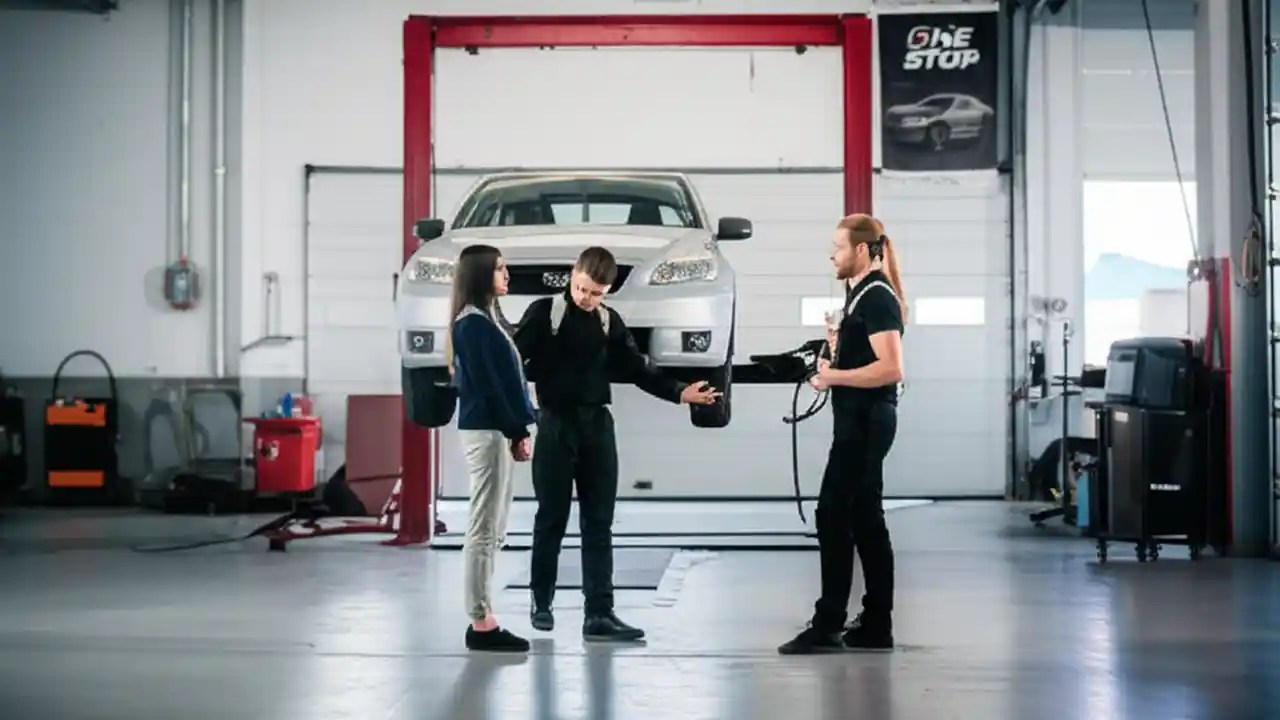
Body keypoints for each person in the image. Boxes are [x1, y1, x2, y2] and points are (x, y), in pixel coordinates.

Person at [513, 246, 721, 642]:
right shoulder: (543, 314)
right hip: (555, 426)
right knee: (551, 518)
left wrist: (679, 392)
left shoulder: (609, 322)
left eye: (596, 293)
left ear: (608, 290)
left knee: (599, 522)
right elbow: (513, 364)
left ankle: (600, 614)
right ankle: (541, 603)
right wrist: (515, 422)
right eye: (581, 288)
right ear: (573, 275)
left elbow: (638, 369)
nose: (586, 298)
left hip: (597, 427)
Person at [778, 213, 907, 654]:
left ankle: (828, 623)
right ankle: (876, 624)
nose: (831, 255)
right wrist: (834, 352)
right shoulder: (860, 295)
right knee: (865, 518)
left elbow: (891, 369)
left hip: (867, 422)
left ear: (861, 250)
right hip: (858, 419)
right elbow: (863, 360)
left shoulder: (878, 297)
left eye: (837, 247)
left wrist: (833, 377)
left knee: (833, 514)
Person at [446, 244, 538, 653]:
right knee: (483, 529)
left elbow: (507, 380)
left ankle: (483, 616)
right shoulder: (472, 325)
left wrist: (519, 427)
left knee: (493, 528)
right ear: (481, 274)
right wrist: (517, 429)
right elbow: (490, 385)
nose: (507, 275)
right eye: (500, 268)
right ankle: (481, 621)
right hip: (487, 432)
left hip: (495, 430)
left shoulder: (485, 320)